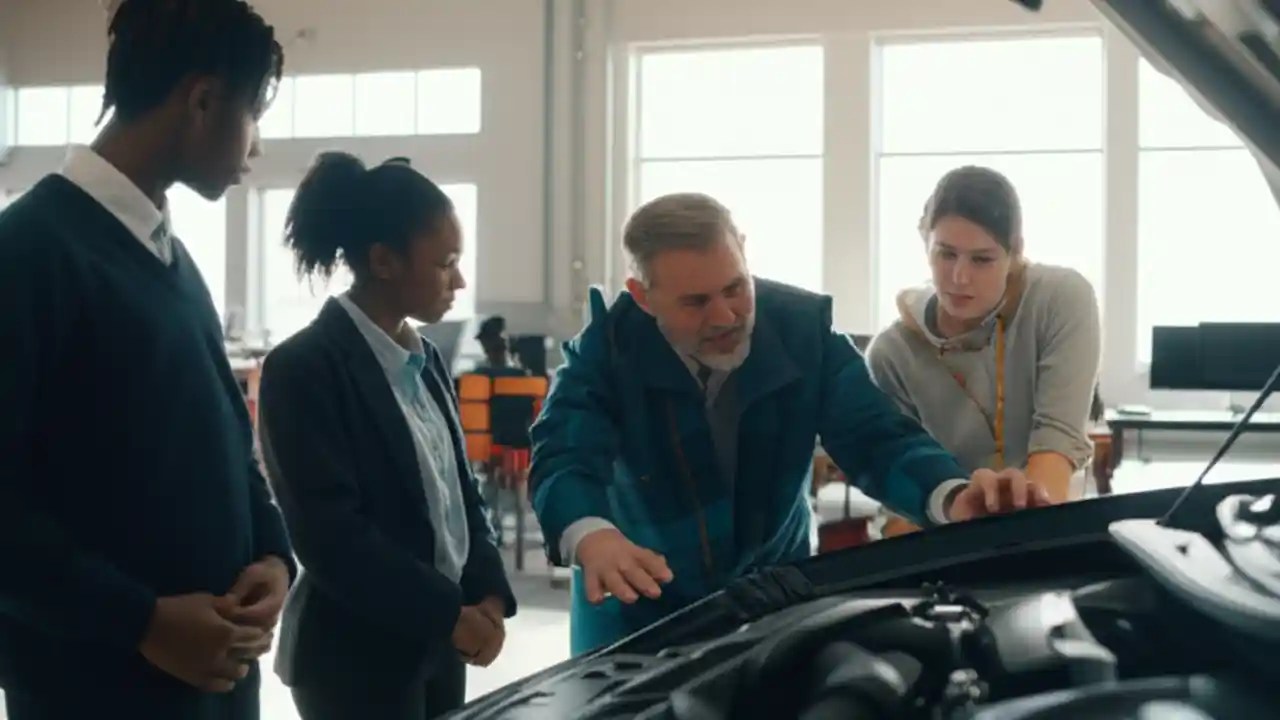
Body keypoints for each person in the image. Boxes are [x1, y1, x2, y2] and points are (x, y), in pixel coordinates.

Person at [529, 192, 1053, 655]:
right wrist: (591, 536)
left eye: (735, 288)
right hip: (633, 611)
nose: (725, 316)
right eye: (696, 302)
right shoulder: (607, 345)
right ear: (643, 297)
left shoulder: (803, 330)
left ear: (744, 252)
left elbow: (875, 436)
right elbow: (563, 454)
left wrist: (951, 495)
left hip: (772, 602)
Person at [0, 1, 294, 717]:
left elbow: (227, 437)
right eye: (252, 115)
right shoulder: (30, 253)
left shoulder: (168, 256)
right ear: (201, 101)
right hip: (94, 691)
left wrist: (273, 555)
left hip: (210, 690)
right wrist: (140, 621)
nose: (254, 149)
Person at [256, 152, 516, 720]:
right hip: (354, 660)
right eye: (446, 263)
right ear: (383, 261)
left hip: (440, 644)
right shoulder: (303, 368)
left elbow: (459, 495)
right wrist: (451, 614)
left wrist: (489, 595)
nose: (460, 281)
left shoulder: (423, 359)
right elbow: (331, 537)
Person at [866, 166, 1102, 505]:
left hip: (1045, 517)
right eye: (946, 254)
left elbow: (1057, 442)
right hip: (950, 528)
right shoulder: (891, 354)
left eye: (982, 260)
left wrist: (1027, 533)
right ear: (924, 239)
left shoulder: (1060, 299)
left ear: (1016, 250)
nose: (960, 277)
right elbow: (904, 476)